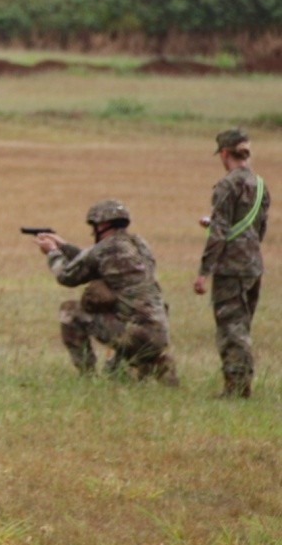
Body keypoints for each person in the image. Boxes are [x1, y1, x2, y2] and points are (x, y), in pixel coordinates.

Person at [34, 199, 176, 385]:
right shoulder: (139, 244)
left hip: (134, 334)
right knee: (116, 376)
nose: (93, 231)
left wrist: (52, 253)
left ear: (103, 224)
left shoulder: (106, 248)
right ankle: (155, 363)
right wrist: (64, 246)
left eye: (94, 225)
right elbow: (96, 261)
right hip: (158, 333)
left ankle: (88, 378)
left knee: (71, 311)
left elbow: (67, 276)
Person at [193, 128, 267, 398]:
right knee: (242, 325)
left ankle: (237, 389)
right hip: (253, 264)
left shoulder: (227, 185)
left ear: (224, 153)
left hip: (231, 269)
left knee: (231, 329)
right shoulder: (259, 184)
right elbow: (258, 228)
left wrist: (204, 271)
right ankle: (242, 384)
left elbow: (220, 232)